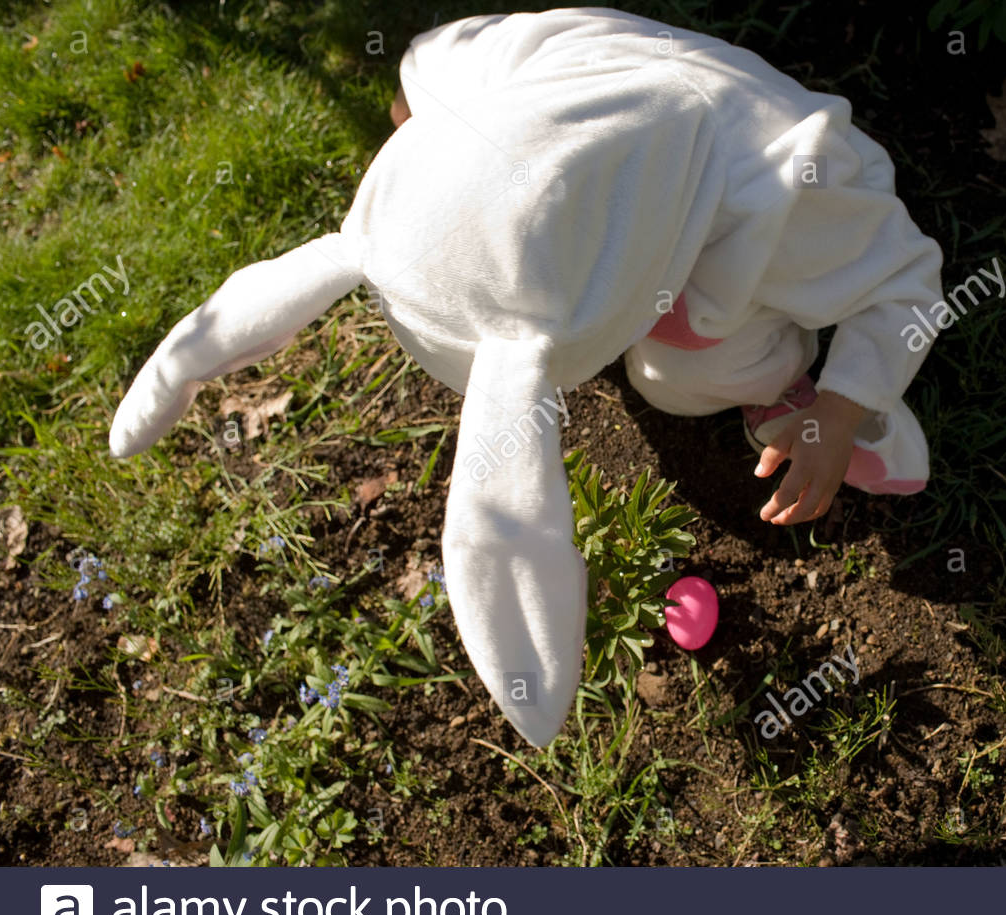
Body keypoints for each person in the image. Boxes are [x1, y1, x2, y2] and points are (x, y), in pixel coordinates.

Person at [109, 8, 944, 749]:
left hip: (722, 249)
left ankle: (777, 387)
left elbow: (906, 282)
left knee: (674, 376)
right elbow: (428, 61)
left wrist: (843, 408)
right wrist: (422, 164)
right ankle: (611, 311)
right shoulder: (488, 71)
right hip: (634, 177)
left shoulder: (796, 188)